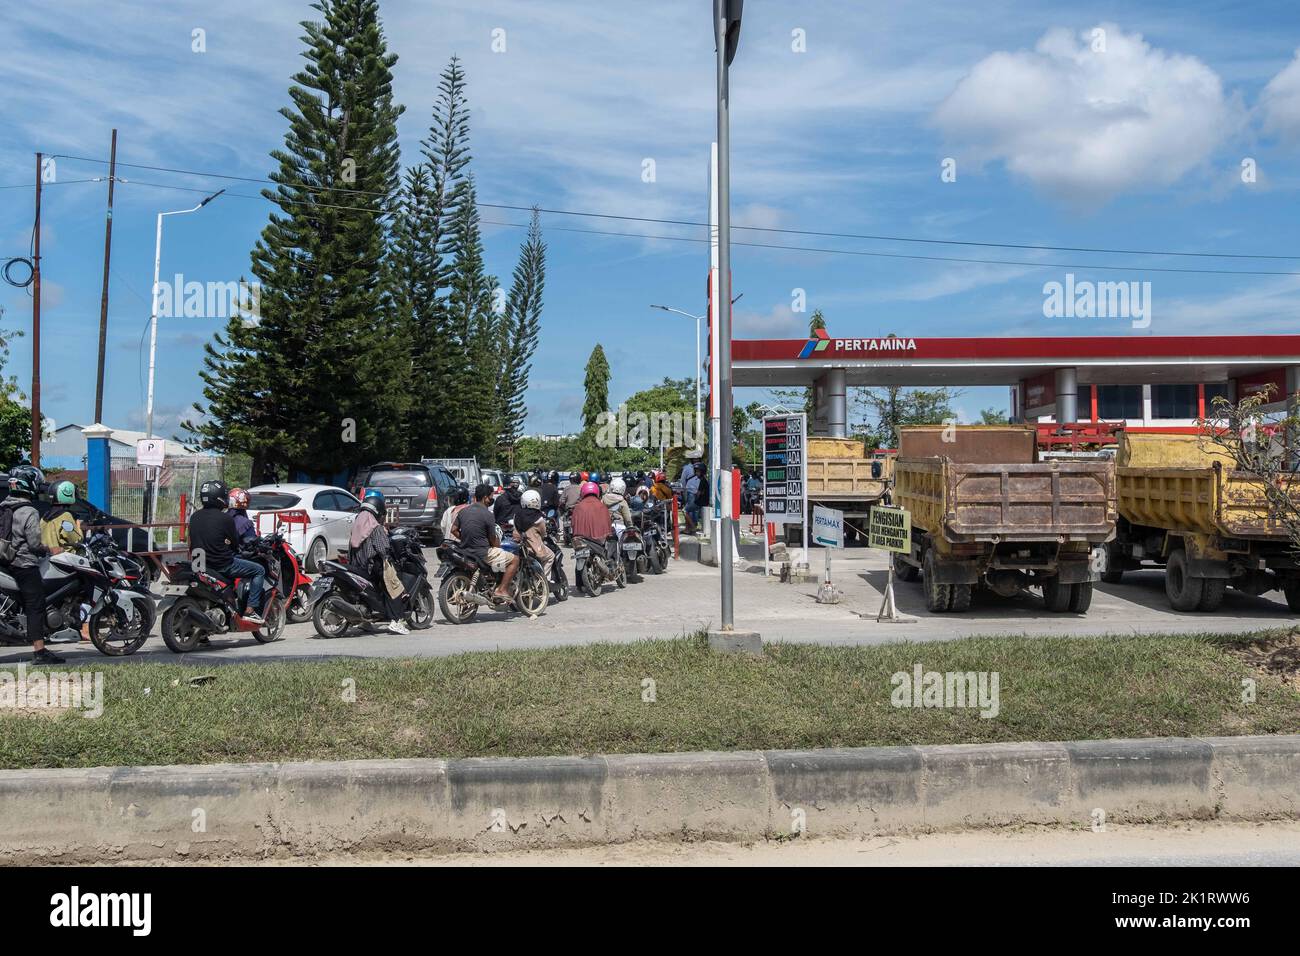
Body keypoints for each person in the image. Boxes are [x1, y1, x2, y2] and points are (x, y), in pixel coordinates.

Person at [2, 465, 62, 664]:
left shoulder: (3, 506)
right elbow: (34, 543)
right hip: (23, 564)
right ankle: (40, 651)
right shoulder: (29, 511)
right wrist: (49, 549)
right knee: (35, 605)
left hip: (5, 561)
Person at [188, 479, 266, 625]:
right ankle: (251, 610)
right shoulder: (225, 519)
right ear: (219, 497)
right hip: (221, 564)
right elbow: (235, 545)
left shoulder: (194, 517)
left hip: (198, 563)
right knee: (259, 570)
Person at [348, 489, 407, 634]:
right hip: (373, 566)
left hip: (358, 566)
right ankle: (396, 620)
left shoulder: (358, 524)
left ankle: (366, 621)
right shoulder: (375, 527)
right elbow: (383, 549)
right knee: (393, 586)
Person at [452, 483, 519, 603]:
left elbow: (453, 530)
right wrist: (497, 546)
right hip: (482, 552)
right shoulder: (488, 514)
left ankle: (492, 583)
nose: (492, 500)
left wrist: (466, 538)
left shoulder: (463, 511)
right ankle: (502, 590)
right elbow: (492, 538)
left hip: (465, 550)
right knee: (514, 560)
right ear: (485, 498)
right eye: (491, 497)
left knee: (498, 556)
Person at [513, 488, 555, 579]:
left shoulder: (516, 515)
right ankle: (545, 579)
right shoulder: (538, 518)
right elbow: (543, 534)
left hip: (521, 548)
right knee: (551, 556)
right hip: (535, 549)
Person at [40, 481, 84, 551]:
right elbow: (76, 540)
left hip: (47, 555)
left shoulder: (44, 517)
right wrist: (78, 526)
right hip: (64, 556)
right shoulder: (66, 516)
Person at [570, 479, 613, 548]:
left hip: (581, 542)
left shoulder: (578, 507)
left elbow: (573, 524)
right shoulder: (602, 506)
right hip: (599, 542)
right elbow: (608, 526)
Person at [682, 460, 702, 534]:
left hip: (693, 491)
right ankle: (692, 526)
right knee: (693, 510)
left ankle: (692, 527)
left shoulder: (687, 468)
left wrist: (684, 490)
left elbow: (683, 481)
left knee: (688, 510)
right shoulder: (701, 467)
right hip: (695, 491)